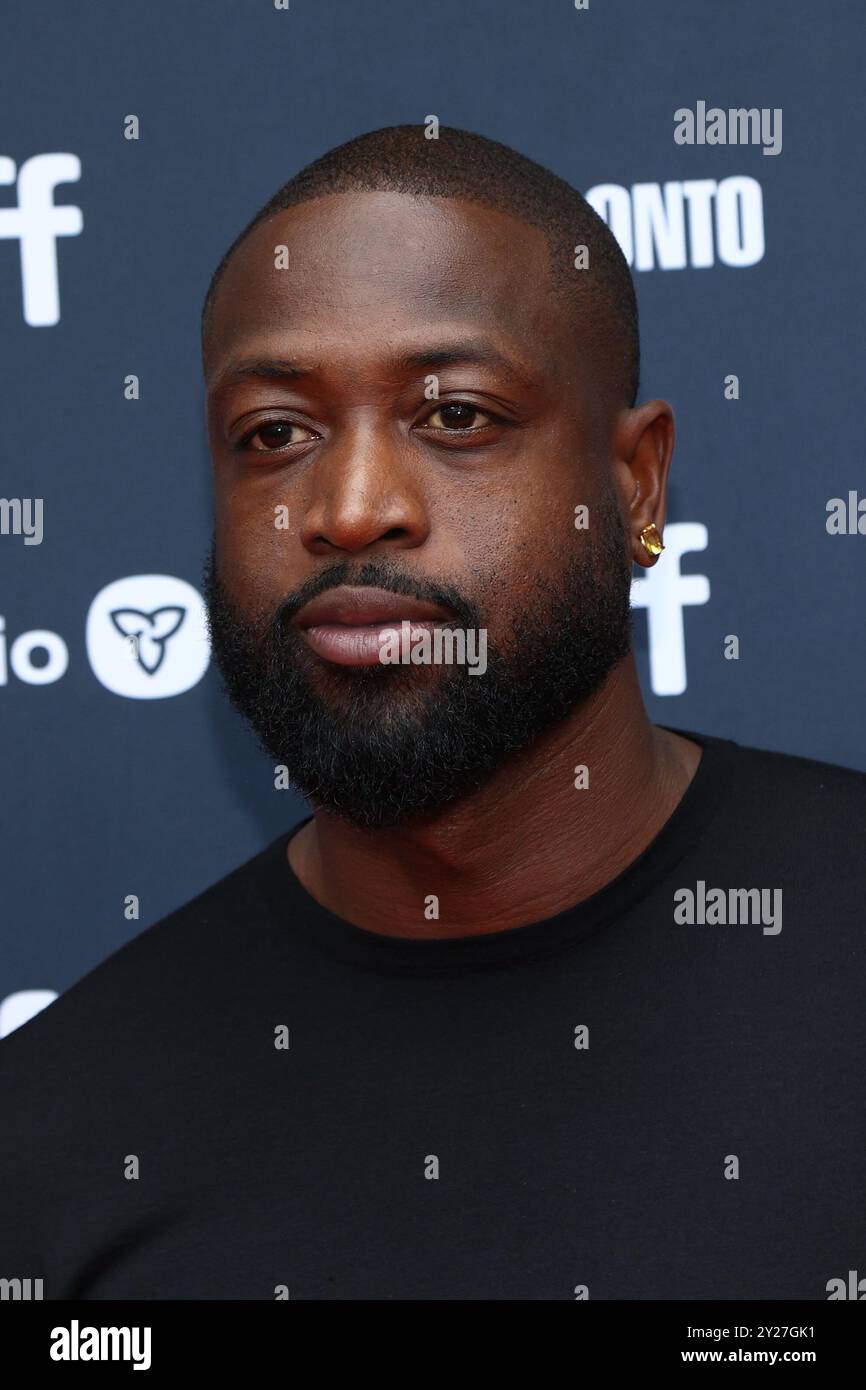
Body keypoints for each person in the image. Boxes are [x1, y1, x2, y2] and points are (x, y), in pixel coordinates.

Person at [2, 126, 864, 1300]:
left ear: (635, 485)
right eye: (275, 435)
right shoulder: (55, 1138)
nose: (351, 507)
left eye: (454, 415)